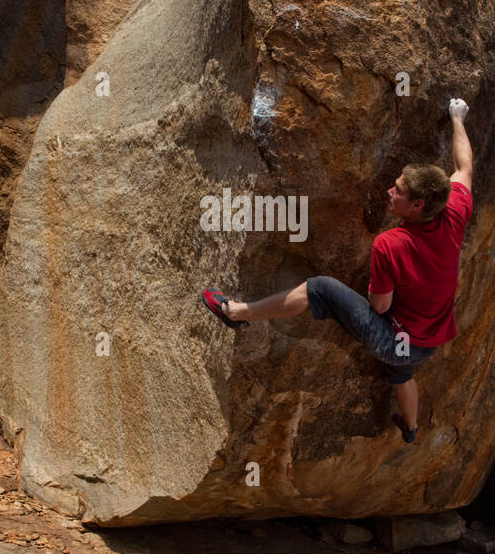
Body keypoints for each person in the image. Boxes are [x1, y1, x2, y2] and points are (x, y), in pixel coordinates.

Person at [201, 98, 473, 445]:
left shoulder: (391, 244)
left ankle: (238, 313)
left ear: (418, 205)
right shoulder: (454, 212)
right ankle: (411, 429)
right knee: (401, 371)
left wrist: (380, 284)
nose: (390, 192)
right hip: (427, 342)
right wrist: (457, 120)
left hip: (393, 339)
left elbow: (379, 308)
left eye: (399, 192)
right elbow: (464, 167)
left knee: (320, 288)